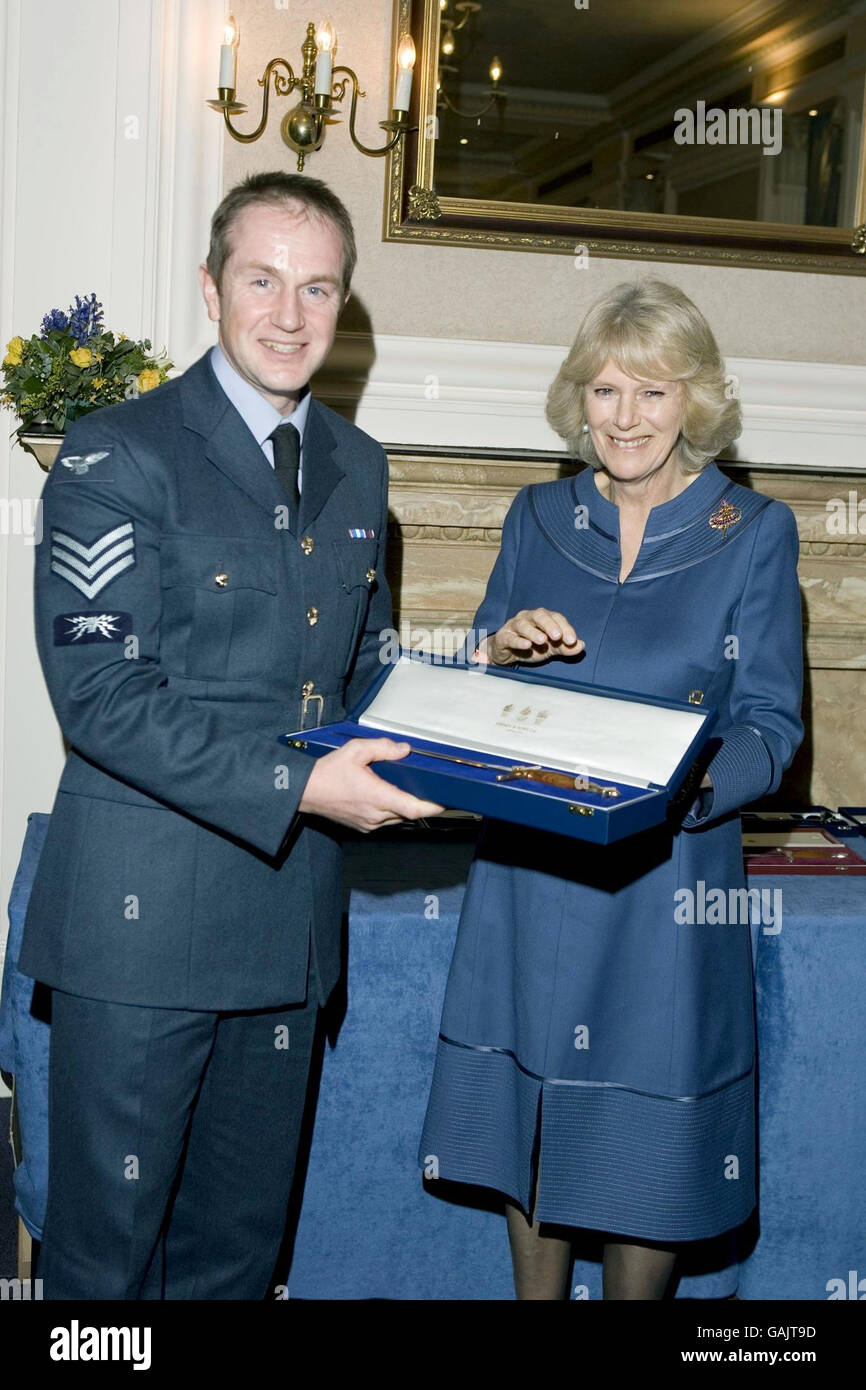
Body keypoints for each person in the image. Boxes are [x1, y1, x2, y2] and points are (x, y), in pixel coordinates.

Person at [20, 170, 440, 1300]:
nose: (291, 315)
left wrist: (467, 724)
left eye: (319, 288)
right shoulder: (117, 452)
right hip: (139, 936)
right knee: (103, 1268)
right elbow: (102, 694)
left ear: (344, 306)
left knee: (237, 1261)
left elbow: (365, 667)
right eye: (263, 280)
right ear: (211, 288)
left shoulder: (360, 465)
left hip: (287, 930)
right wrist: (305, 789)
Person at [419, 279, 804, 1300]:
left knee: (653, 1148)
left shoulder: (752, 529)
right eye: (603, 391)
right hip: (529, 875)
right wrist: (494, 651)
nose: (624, 417)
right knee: (530, 1125)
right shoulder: (537, 514)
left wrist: (672, 793)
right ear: (575, 401)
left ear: (693, 402)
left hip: (665, 883)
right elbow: (471, 687)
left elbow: (771, 726)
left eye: (651, 391)